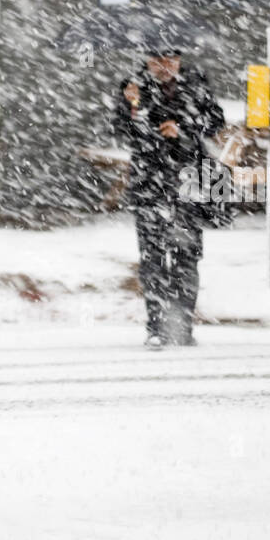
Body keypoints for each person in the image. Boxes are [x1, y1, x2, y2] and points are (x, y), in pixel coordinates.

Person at [112, 51, 225, 348]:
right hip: (149, 184)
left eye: (170, 60)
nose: (163, 67)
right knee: (152, 260)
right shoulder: (133, 87)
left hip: (188, 184)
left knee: (187, 258)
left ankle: (183, 327)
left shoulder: (195, 84)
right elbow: (122, 130)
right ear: (147, 61)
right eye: (156, 60)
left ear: (179, 60)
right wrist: (132, 106)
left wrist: (183, 128)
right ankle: (155, 327)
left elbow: (215, 121)